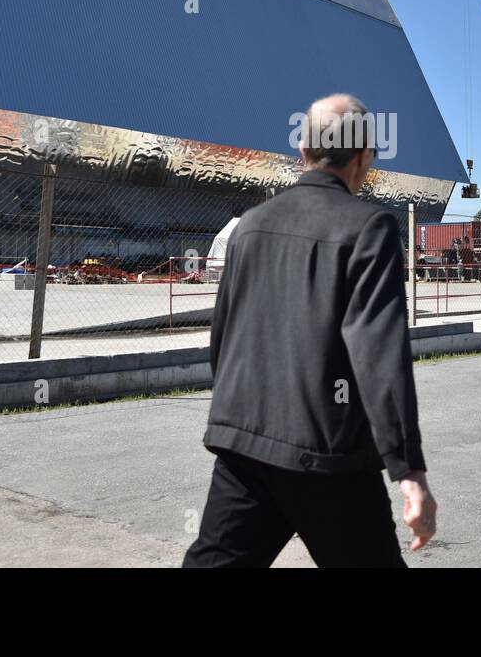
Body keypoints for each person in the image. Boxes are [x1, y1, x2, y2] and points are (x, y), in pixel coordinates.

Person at [183, 94, 435, 567]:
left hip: (245, 449)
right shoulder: (370, 227)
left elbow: (223, 337)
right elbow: (379, 355)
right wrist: (409, 471)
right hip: (328, 456)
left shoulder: (250, 226)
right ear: (365, 158)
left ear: (303, 152)